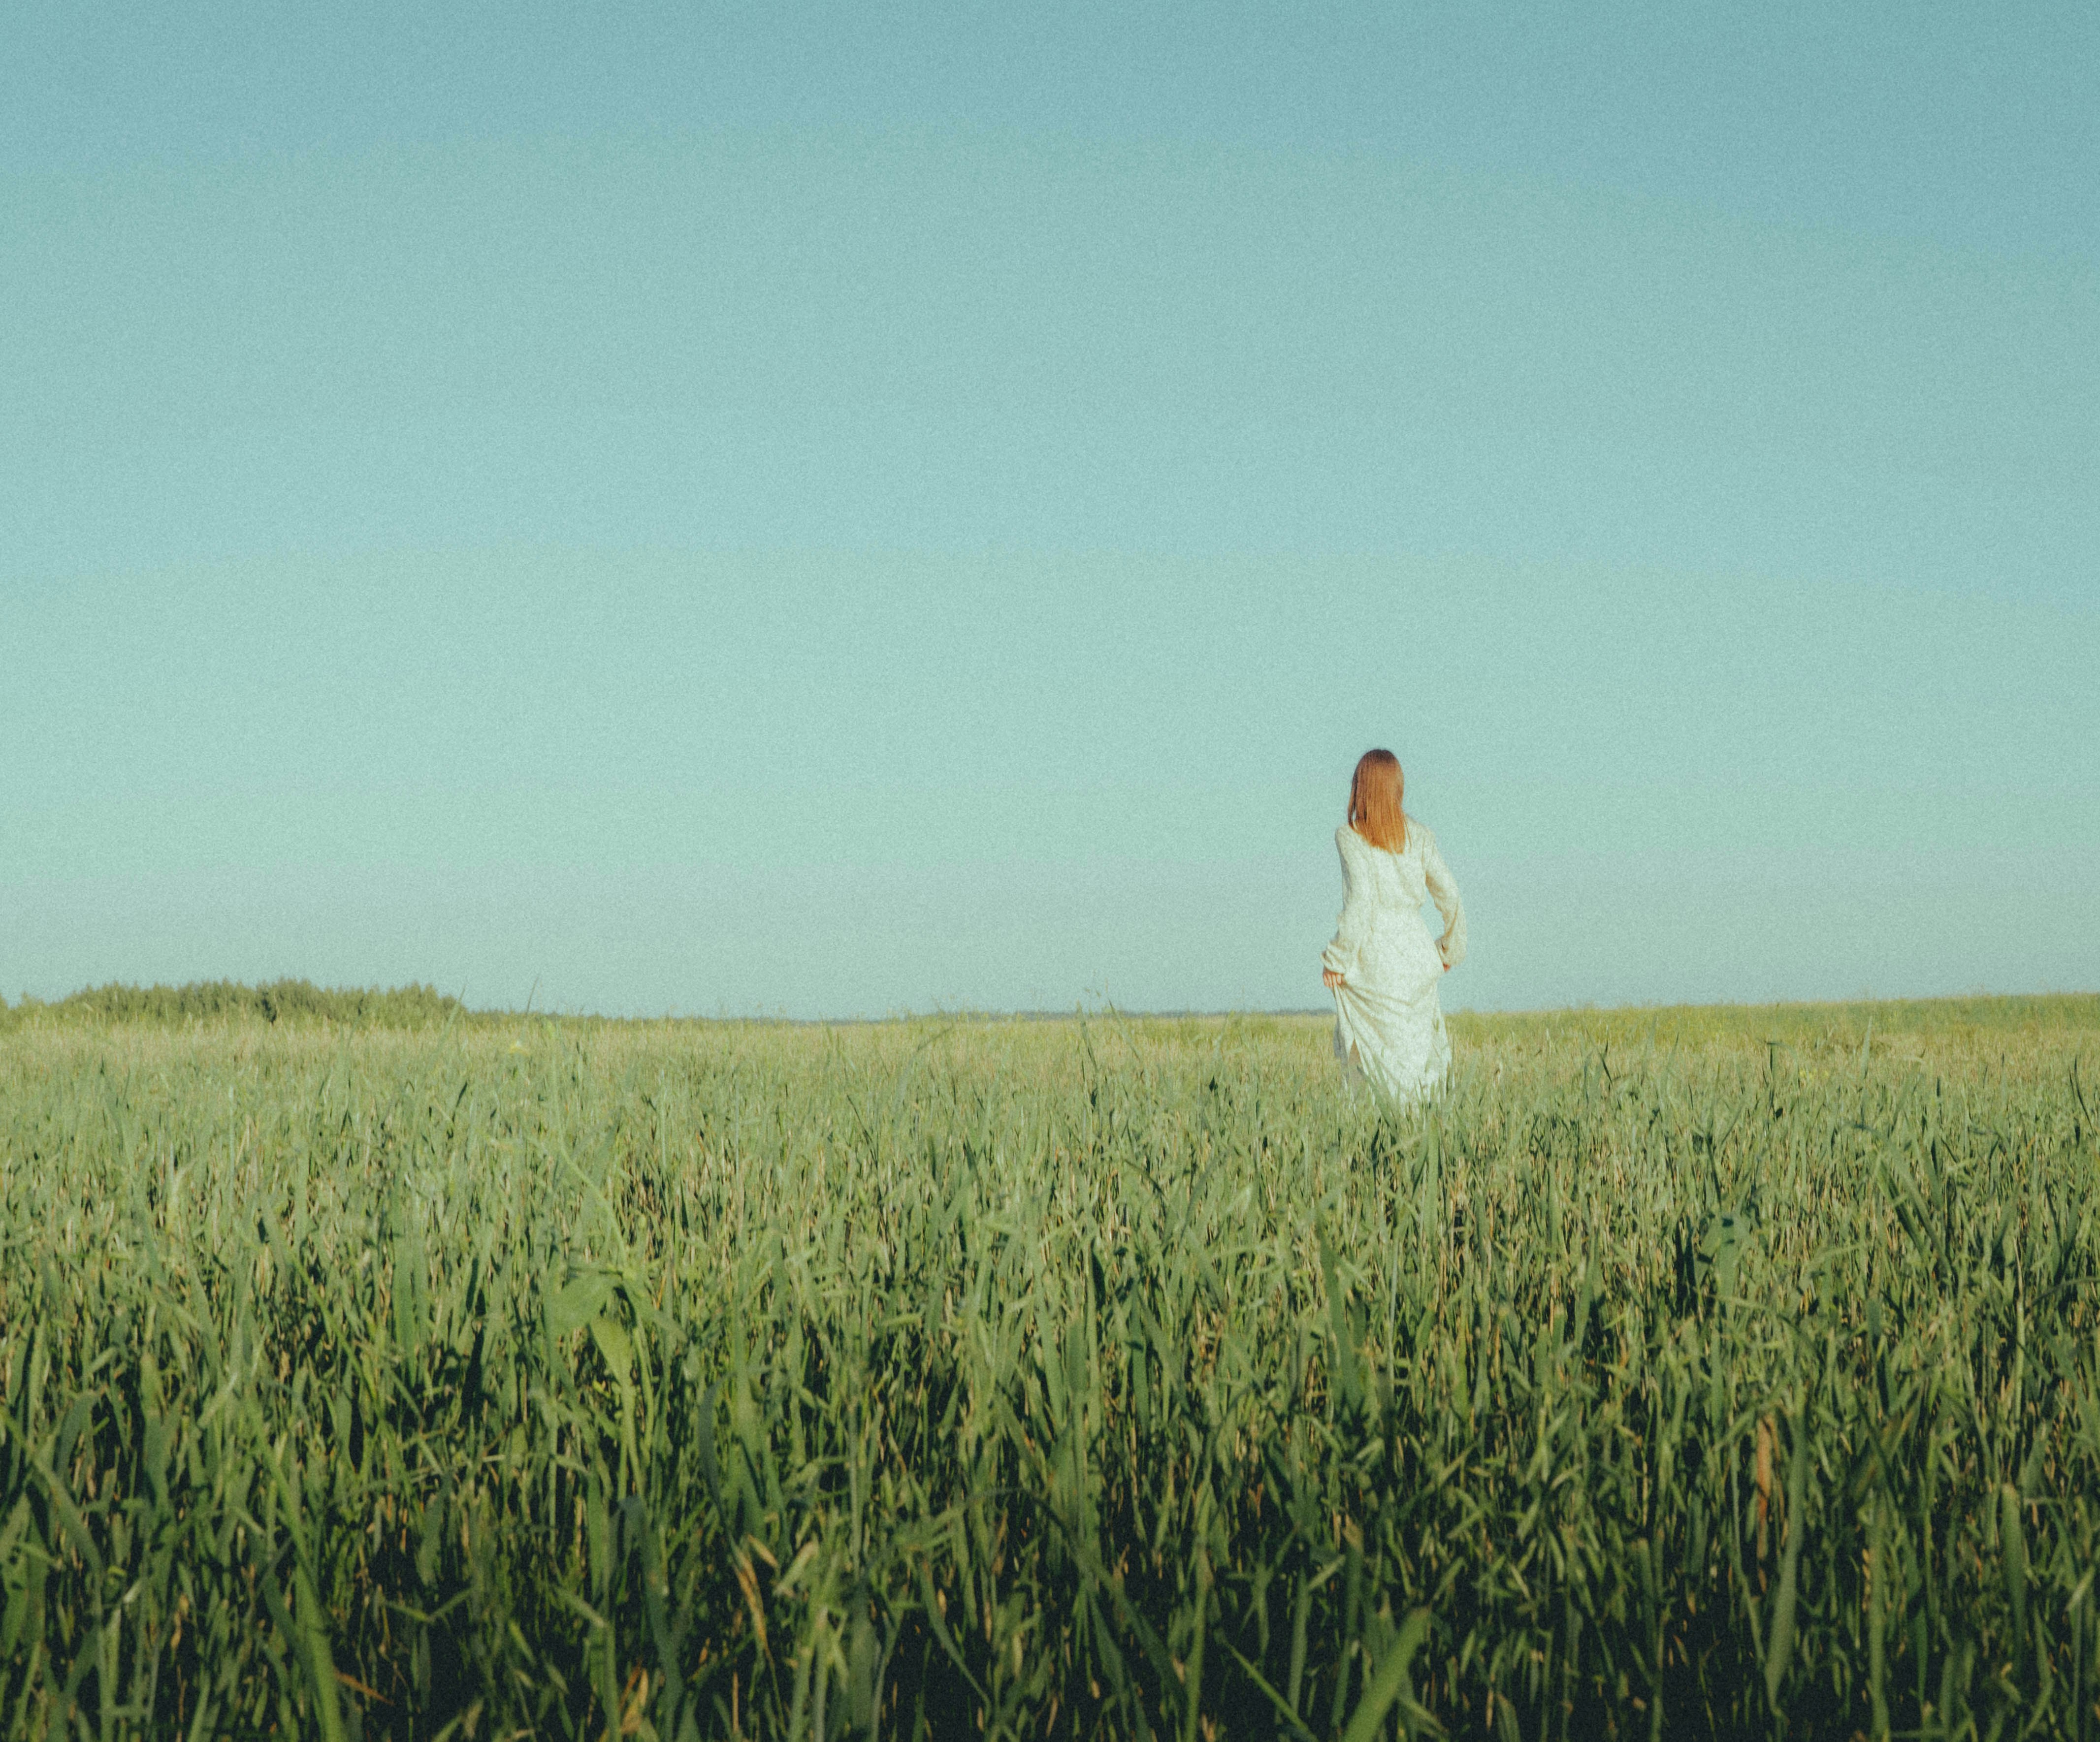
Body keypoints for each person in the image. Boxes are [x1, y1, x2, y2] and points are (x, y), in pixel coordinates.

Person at [1320, 748, 1467, 1100]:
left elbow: (1361, 903)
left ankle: (1379, 1147)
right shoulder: (1420, 836)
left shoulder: (1350, 836)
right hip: (1416, 955)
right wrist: (1450, 948)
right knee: (1416, 1072)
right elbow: (1450, 893)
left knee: (1374, 1074)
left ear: (1361, 788)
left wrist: (1336, 960)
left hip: (1375, 959)